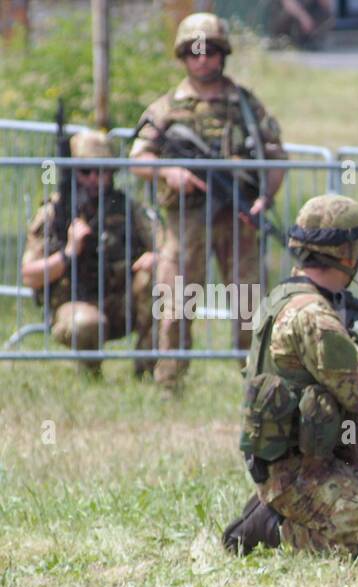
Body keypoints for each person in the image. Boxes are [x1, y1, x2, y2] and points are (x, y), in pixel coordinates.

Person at [223, 194, 358, 557]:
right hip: (302, 476)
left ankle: (275, 513)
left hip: (293, 466)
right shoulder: (314, 316)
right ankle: (276, 528)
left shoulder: (285, 294)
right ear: (349, 254)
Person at [129, 12, 286, 393]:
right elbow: (138, 158)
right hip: (186, 220)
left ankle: (256, 386)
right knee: (176, 301)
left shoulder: (246, 105)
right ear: (183, 55)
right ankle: (169, 382)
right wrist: (170, 173)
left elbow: (275, 156)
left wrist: (265, 197)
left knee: (250, 302)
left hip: (238, 217)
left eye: (211, 50)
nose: (203, 58)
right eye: (195, 51)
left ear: (223, 54)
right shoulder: (167, 107)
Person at [21, 130, 158, 378]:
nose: (95, 178)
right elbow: (29, 275)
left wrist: (155, 258)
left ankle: (147, 371)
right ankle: (90, 374)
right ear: (73, 172)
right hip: (74, 308)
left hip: (120, 303)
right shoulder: (54, 213)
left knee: (162, 284)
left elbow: (166, 248)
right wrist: (68, 252)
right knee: (87, 322)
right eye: (86, 171)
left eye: (103, 171)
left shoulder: (128, 209)